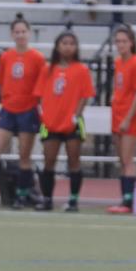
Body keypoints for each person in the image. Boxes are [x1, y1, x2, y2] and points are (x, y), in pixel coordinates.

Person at [0, 16, 45, 209]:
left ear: (29, 33)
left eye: (23, 31)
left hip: (28, 110)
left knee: (24, 157)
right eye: (16, 32)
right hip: (8, 110)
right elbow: (1, 83)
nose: (20, 35)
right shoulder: (6, 57)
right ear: (12, 34)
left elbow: (40, 88)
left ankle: (21, 196)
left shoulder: (37, 58)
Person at [34, 31, 94, 211]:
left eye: (71, 43)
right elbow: (38, 96)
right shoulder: (48, 69)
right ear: (57, 46)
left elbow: (85, 96)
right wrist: (43, 114)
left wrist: (76, 115)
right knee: (49, 160)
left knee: (74, 159)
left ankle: (73, 200)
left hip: (72, 123)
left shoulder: (81, 70)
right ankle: (47, 199)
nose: (67, 46)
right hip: (51, 122)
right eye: (64, 43)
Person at [106, 23, 136, 213]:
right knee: (122, 160)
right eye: (118, 41)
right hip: (117, 113)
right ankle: (125, 198)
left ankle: (129, 201)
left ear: (131, 43)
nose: (120, 44)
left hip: (129, 117)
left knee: (127, 158)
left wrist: (127, 118)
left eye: (124, 41)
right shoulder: (118, 62)